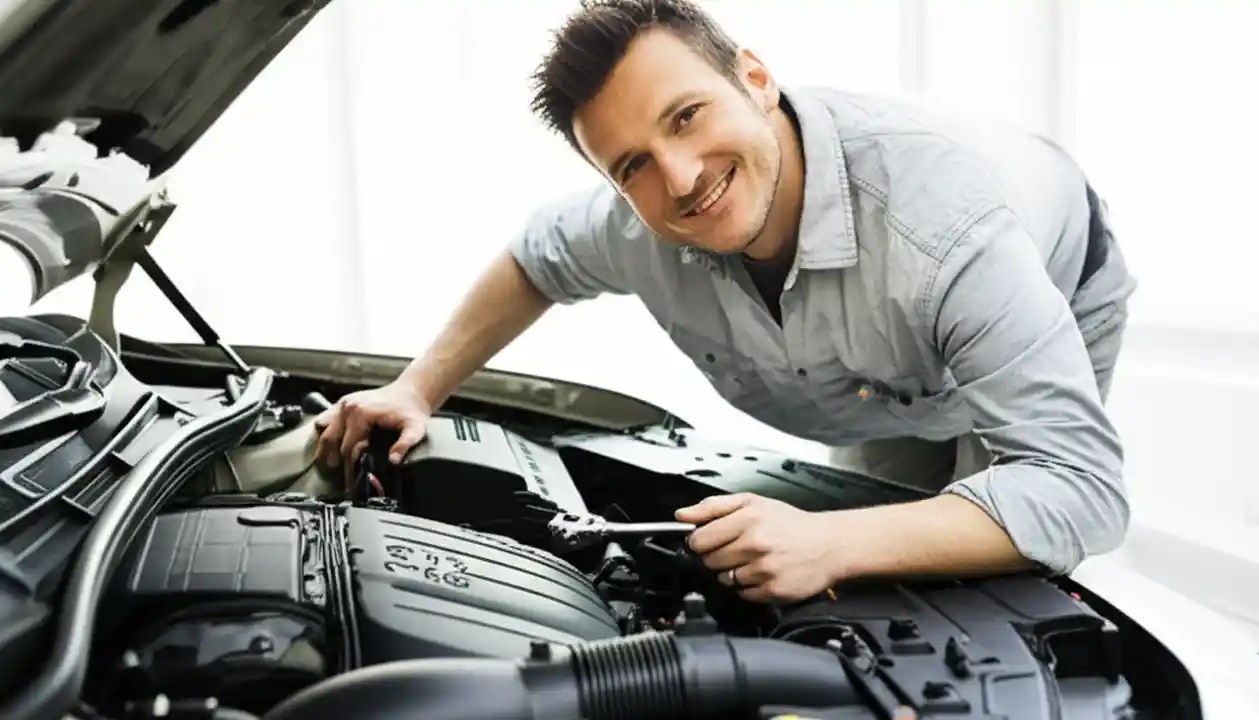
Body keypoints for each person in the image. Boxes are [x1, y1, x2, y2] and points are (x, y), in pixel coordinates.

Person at [315, 0, 1136, 603]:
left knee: (992, 570)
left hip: (1050, 272)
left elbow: (1078, 489)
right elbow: (537, 257)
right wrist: (418, 387)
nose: (678, 177)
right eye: (630, 164)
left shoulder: (947, 229)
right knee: (892, 539)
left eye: (687, 115)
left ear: (755, 78)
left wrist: (829, 541)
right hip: (887, 382)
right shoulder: (632, 224)